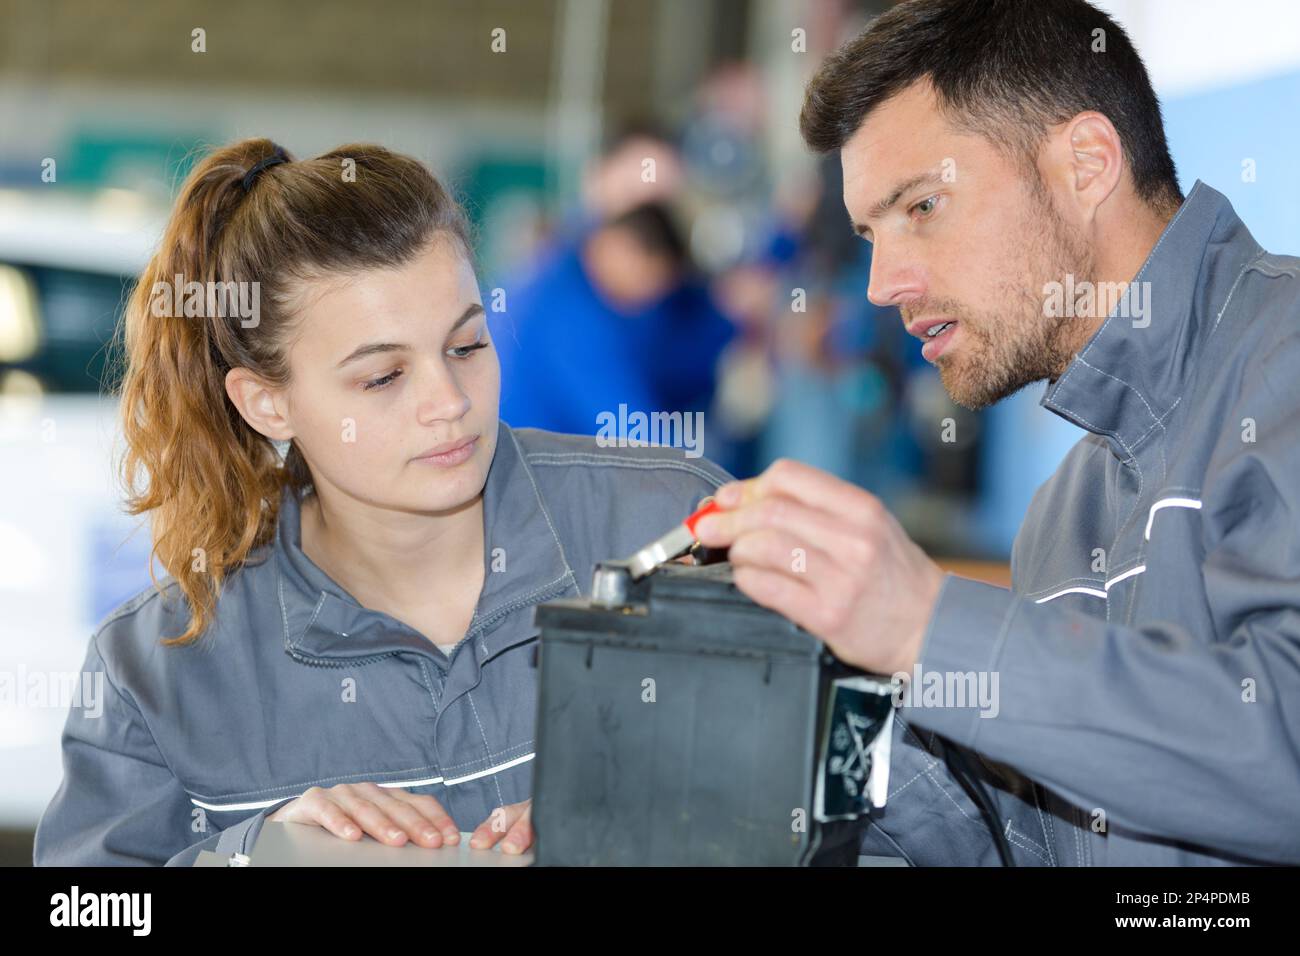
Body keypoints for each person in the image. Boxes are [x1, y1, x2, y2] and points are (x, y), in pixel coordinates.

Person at [697, 0, 1300, 865]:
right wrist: (810, 726)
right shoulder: (1069, 510)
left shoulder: (1285, 356)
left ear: (1086, 164)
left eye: (923, 207)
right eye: (869, 234)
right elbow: (1030, 840)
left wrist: (925, 626)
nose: (881, 283)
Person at [33, 139, 729, 866]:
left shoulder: (680, 529)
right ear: (268, 403)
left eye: (466, 347)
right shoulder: (158, 670)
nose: (449, 403)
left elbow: (852, 817)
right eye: (383, 377)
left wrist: (689, 810)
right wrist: (253, 853)